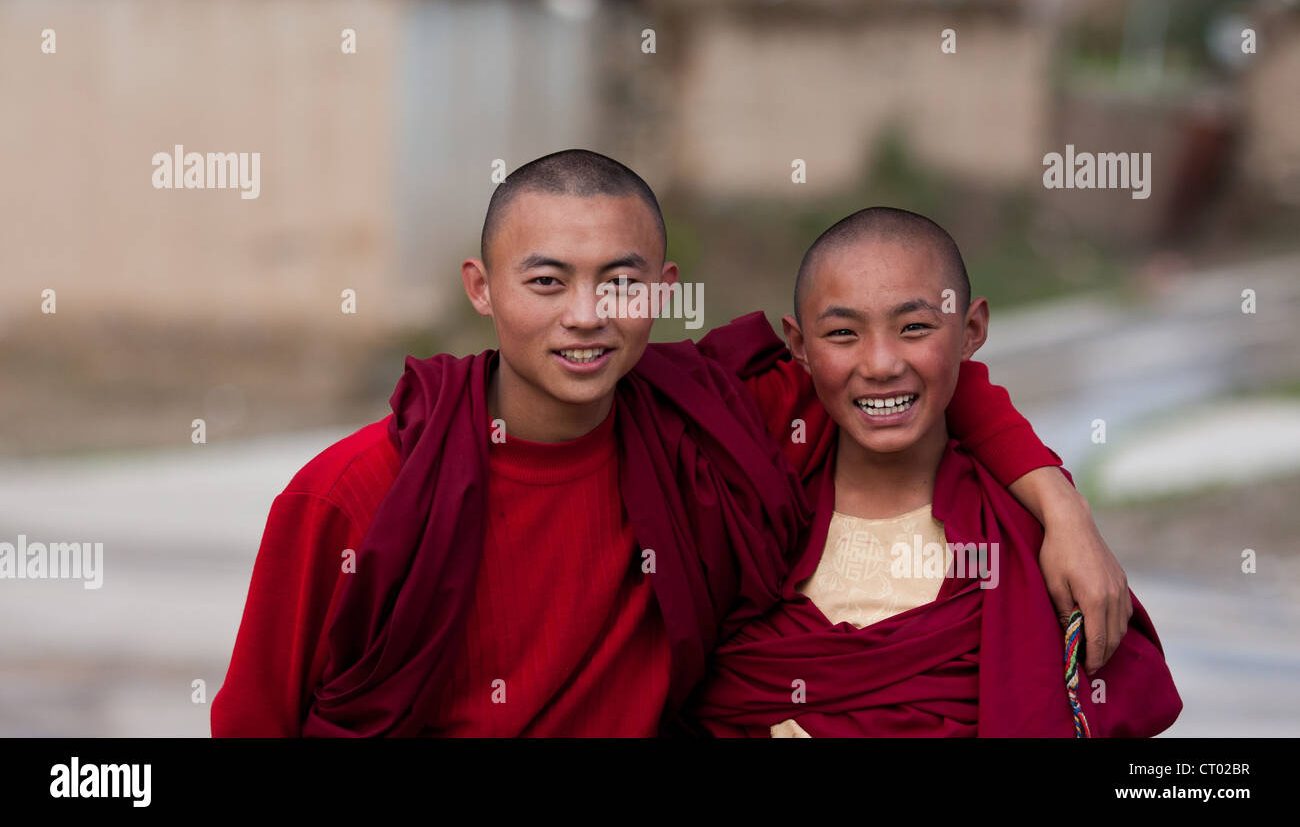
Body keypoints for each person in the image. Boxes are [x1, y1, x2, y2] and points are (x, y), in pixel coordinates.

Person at [211, 152, 1127, 737]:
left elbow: (904, 374)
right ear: (480, 288)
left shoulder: (709, 423)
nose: (585, 316)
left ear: (664, 288)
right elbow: (252, 725)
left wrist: (1059, 505)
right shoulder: (353, 495)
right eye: (546, 280)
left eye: (620, 281)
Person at [687, 207, 1182, 736]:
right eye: (842, 333)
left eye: (915, 327)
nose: (880, 364)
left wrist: (1063, 506)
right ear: (799, 346)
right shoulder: (747, 491)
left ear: (972, 330)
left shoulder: (1025, 543)